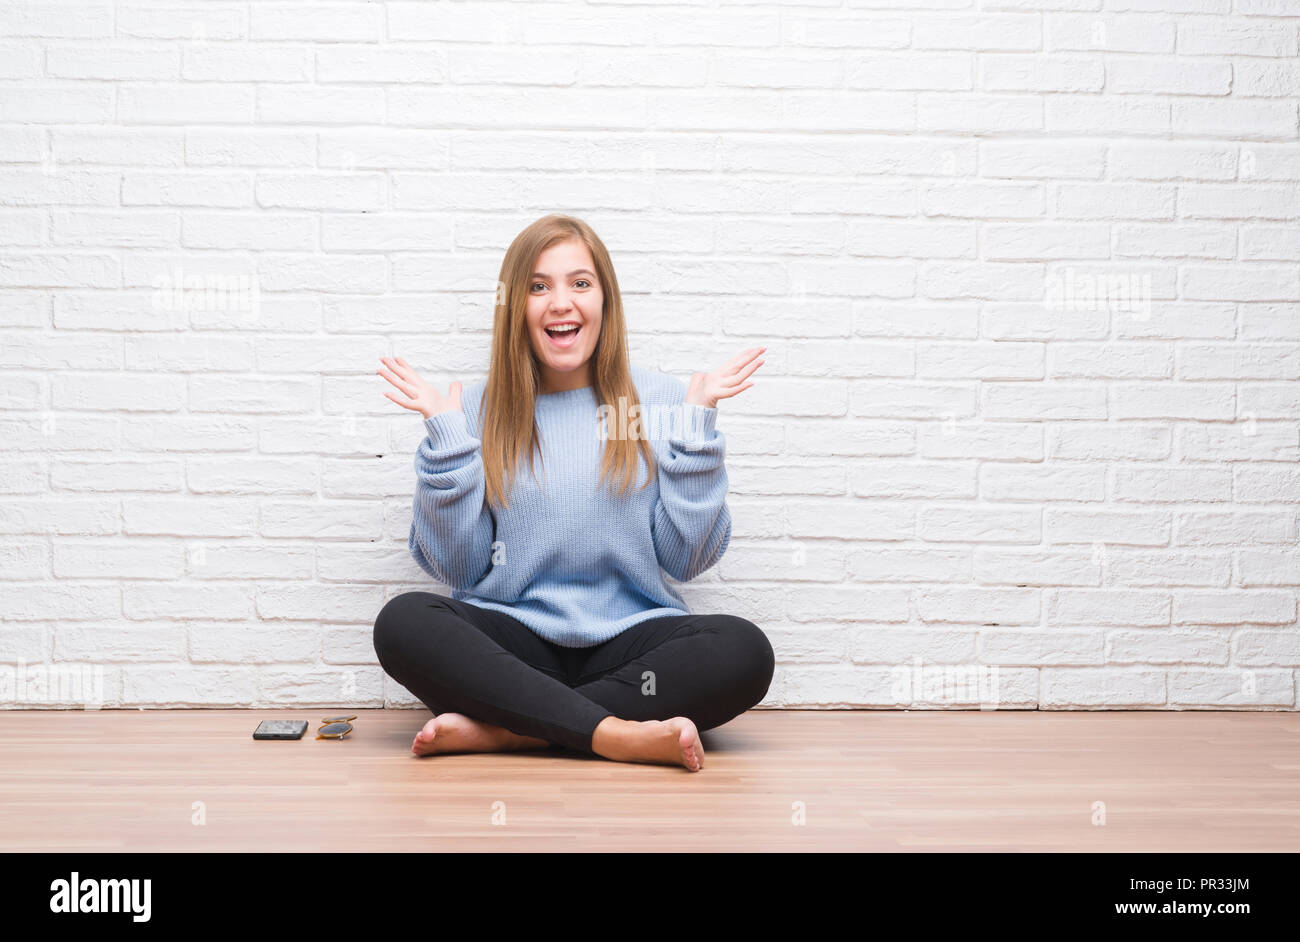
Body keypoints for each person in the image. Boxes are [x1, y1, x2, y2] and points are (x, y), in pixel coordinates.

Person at [371, 213, 773, 772]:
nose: (561, 302)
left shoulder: (659, 402)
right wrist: (448, 446)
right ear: (516, 307)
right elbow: (460, 569)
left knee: (745, 651)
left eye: (580, 283)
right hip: (514, 647)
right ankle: (614, 733)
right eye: (539, 286)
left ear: (605, 301)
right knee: (404, 622)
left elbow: (687, 560)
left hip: (631, 644)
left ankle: (516, 732)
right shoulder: (473, 409)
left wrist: (698, 438)